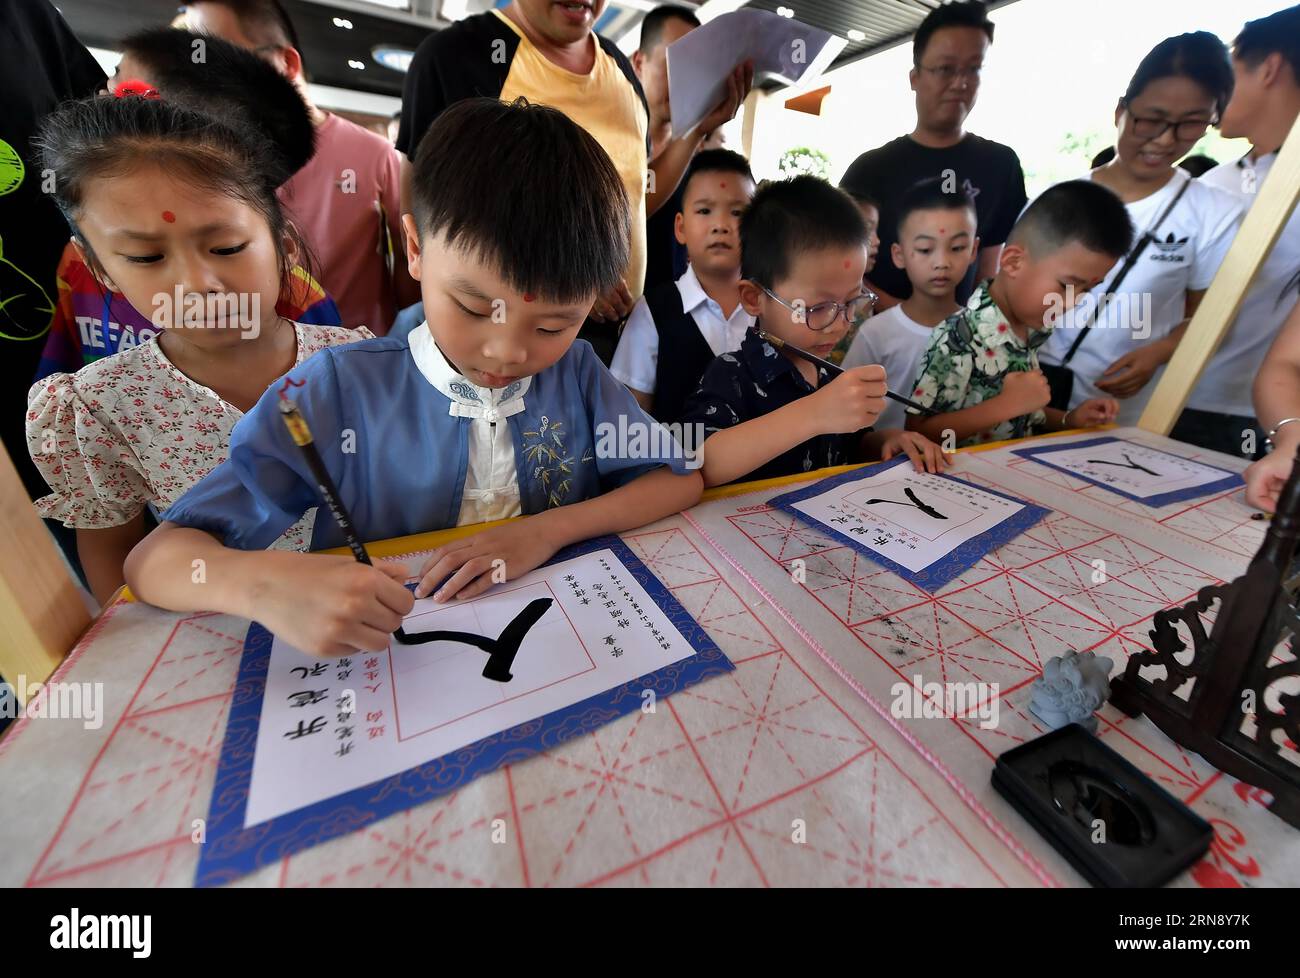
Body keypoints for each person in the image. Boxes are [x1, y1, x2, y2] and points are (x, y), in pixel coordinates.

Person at [124, 98, 704, 656]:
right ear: (416, 249)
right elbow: (156, 560)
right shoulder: (336, 392)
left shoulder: (577, 373)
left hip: (553, 638)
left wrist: (548, 530)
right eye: (474, 309)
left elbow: (677, 480)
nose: (505, 352)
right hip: (388, 660)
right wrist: (260, 585)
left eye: (553, 325)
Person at [28, 82, 367, 604]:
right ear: (100, 268)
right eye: (145, 258)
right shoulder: (100, 407)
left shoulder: (357, 364)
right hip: (212, 642)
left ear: (284, 246)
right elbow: (112, 555)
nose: (197, 283)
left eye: (227, 247)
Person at [679, 176, 949, 487]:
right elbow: (697, 462)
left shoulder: (829, 373)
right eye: (817, 308)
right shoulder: (732, 376)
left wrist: (885, 441)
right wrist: (814, 414)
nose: (840, 323)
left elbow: (848, 446)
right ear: (755, 299)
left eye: (852, 302)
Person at [1036, 32, 1244, 429]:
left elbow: (1210, 316)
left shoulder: (1213, 212)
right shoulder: (1055, 198)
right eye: (1152, 119)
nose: (1165, 139)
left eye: (1190, 124)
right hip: (1029, 396)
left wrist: (1160, 351)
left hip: (1124, 413)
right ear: (1120, 111)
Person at [183, 0, 418, 334]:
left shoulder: (372, 154)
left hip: (356, 355)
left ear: (286, 62)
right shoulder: (206, 161)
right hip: (248, 359)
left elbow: (408, 279)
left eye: (222, 59)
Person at [905, 180, 1132, 447]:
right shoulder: (958, 336)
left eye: (1089, 289)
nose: (1074, 302)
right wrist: (1006, 405)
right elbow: (919, 432)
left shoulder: (1033, 328)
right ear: (1013, 261)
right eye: (1067, 286)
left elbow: (1024, 411)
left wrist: (1069, 420)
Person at [839, 1, 1026, 308]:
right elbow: (838, 259)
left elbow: (990, 267)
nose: (960, 83)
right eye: (945, 69)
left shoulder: (1001, 165)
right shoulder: (869, 170)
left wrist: (960, 330)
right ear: (914, 77)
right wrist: (903, 321)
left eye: (974, 68)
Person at [1178, 6, 1300, 457]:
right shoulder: (1209, 184)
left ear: (1269, 68)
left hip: (1265, 419)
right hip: (1169, 399)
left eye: (1231, 67)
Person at [610, 149, 756, 422]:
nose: (721, 225)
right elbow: (630, 417)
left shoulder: (771, 311)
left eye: (737, 212)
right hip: (674, 463)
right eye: (704, 210)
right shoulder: (653, 311)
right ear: (681, 227)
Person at [843, 178, 978, 431]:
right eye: (925, 249)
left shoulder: (984, 333)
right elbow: (843, 409)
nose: (942, 262)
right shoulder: (876, 333)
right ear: (899, 254)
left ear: (974, 250)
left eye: (957, 247)